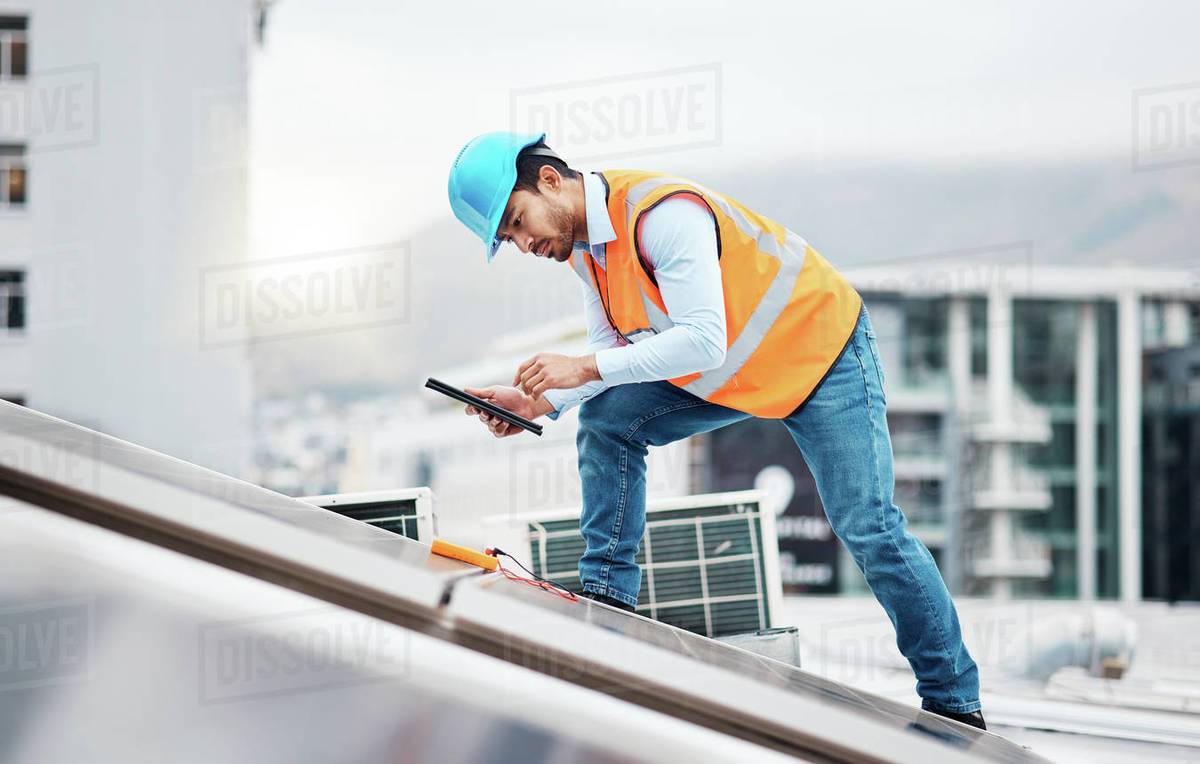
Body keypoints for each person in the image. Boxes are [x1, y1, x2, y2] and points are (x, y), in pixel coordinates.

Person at [446, 131, 986, 730]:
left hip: (821, 355)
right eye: (509, 239)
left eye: (518, 223)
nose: (525, 245)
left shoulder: (662, 216)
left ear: (550, 179)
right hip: (732, 373)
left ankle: (954, 702)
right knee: (606, 422)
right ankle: (607, 601)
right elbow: (609, 356)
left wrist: (582, 368)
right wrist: (535, 405)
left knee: (871, 529)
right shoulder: (584, 253)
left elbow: (702, 337)